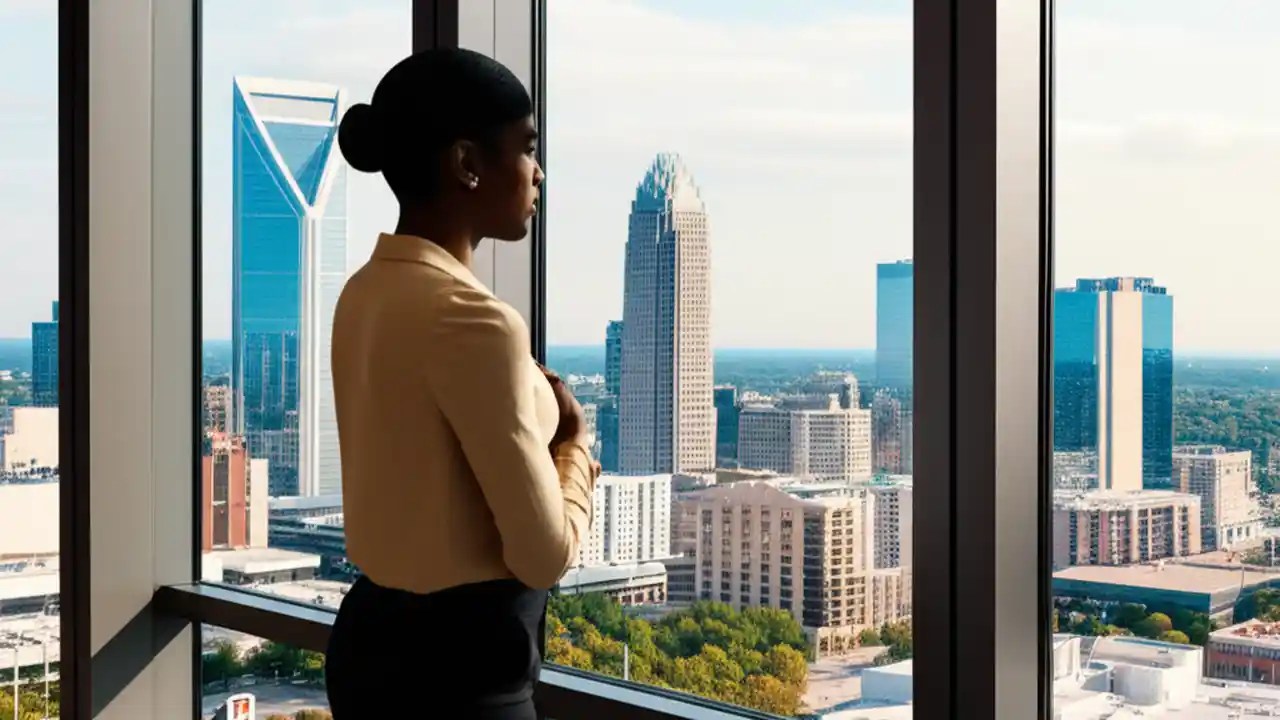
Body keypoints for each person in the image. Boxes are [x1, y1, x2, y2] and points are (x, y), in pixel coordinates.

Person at [326, 48, 599, 719]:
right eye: (527, 149)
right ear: (467, 164)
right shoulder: (474, 319)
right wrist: (573, 445)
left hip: (368, 647)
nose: (538, 175)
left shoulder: (363, 293)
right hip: (463, 676)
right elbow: (543, 554)